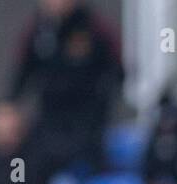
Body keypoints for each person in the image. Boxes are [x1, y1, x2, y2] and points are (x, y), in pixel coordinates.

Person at [8, 0, 124, 174]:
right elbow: (23, 72)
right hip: (50, 121)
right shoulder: (39, 30)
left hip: (88, 124)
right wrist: (10, 106)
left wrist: (100, 98)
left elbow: (117, 71)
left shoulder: (93, 27)